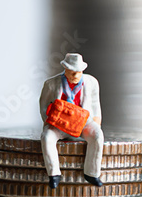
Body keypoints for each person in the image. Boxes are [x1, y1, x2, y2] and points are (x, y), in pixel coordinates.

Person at [39, 53, 105, 188]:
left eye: (78, 72)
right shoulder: (51, 84)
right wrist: (48, 119)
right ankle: (54, 174)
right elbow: (43, 103)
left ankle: (92, 173)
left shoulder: (92, 82)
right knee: (47, 137)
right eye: (71, 71)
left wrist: (97, 120)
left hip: (83, 122)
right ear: (65, 68)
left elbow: (95, 103)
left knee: (98, 136)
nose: (75, 75)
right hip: (60, 123)